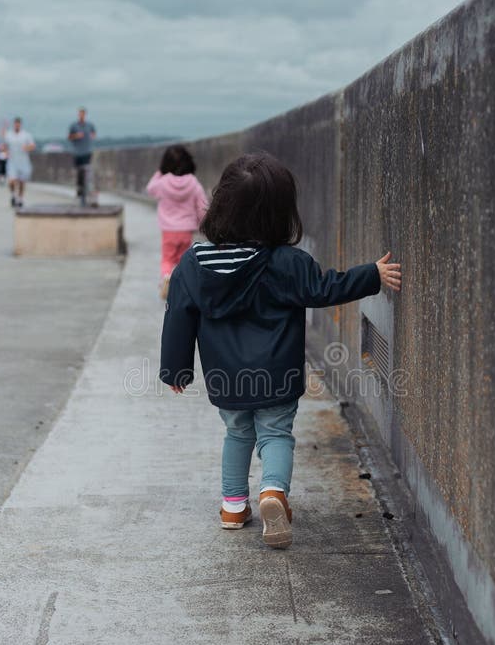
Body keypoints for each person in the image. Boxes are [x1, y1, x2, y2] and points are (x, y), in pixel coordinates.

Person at [159, 152, 401, 549]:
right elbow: (326, 288)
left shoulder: (194, 263)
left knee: (236, 432)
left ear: (220, 205)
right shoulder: (286, 262)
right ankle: (273, 493)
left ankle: (234, 506)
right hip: (277, 373)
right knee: (275, 433)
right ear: (280, 213)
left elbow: (178, 317)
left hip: (226, 377)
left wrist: (176, 370)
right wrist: (370, 274)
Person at [146, 145, 208, 299]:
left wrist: (160, 172)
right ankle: (183, 286)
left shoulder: (163, 182)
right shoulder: (194, 183)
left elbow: (150, 189)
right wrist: (203, 225)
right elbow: (202, 207)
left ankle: (167, 278)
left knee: (167, 259)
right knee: (183, 260)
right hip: (186, 231)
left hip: (168, 231)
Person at [3, 117, 36, 208]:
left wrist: (27, 148)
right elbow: (5, 145)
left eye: (18, 124)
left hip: (23, 161)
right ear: (14, 124)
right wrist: (6, 152)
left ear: (20, 125)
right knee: (11, 180)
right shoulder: (9, 135)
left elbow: (33, 146)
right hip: (12, 161)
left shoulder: (26, 135)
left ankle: (20, 198)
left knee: (22, 181)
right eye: (15, 123)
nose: (17, 125)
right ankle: (13, 194)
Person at [67, 107, 96, 204]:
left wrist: (91, 137)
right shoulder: (74, 126)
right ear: (78, 115)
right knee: (79, 173)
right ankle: (79, 191)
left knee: (87, 172)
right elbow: (69, 137)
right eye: (80, 114)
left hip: (87, 152)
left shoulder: (90, 125)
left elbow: (94, 134)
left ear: (85, 114)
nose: (81, 115)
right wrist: (76, 136)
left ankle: (86, 193)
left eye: (83, 114)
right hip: (77, 153)